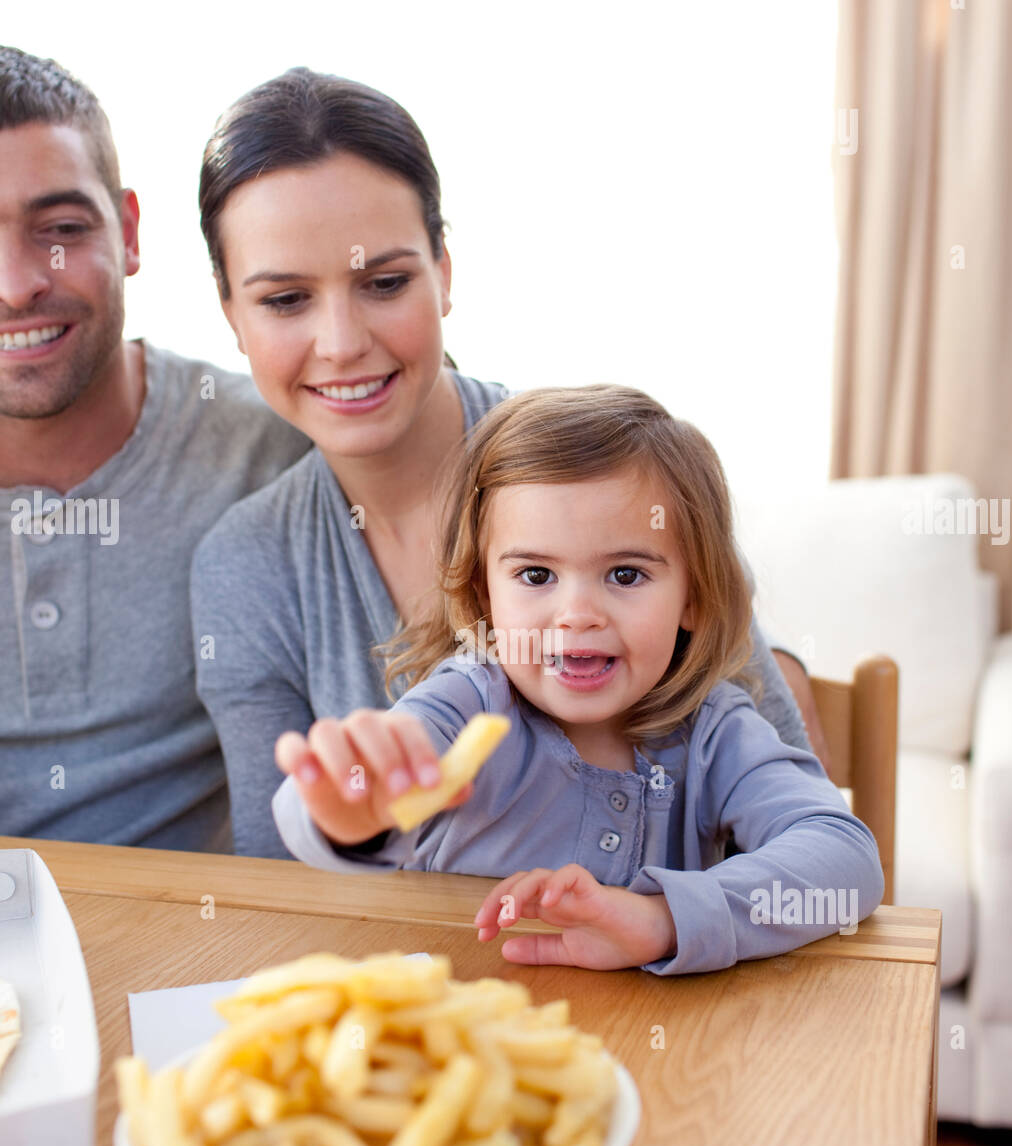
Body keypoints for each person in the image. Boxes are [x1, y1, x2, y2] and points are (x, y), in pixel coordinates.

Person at [191, 67, 829, 861]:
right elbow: (280, 880)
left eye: (385, 282)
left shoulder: (603, 469)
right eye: (284, 300)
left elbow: (792, 804)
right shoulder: (246, 565)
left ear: (443, 273)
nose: (342, 341)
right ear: (231, 314)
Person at [271, 384, 883, 974]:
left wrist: (664, 919)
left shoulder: (716, 731)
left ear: (692, 597)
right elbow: (328, 796)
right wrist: (346, 811)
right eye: (537, 576)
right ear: (485, 595)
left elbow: (846, 861)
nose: (578, 615)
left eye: (624, 575)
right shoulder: (465, 703)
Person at [0, 46, 309, 850]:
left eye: (60, 229)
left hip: (201, 954)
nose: (16, 282)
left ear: (128, 231)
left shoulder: (277, 443)